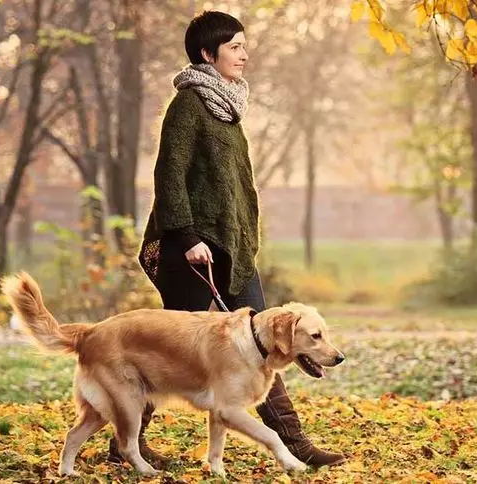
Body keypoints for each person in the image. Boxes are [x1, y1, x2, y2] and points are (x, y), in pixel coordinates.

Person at [107, 10, 346, 468]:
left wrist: (244, 240)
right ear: (206, 53)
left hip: (232, 251)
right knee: (172, 351)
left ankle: (293, 442)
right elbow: (169, 177)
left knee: (268, 345)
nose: (244, 53)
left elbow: (232, 187)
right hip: (192, 251)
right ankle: (125, 446)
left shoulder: (228, 106)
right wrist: (189, 235)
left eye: (243, 45)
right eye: (234, 46)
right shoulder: (189, 105)